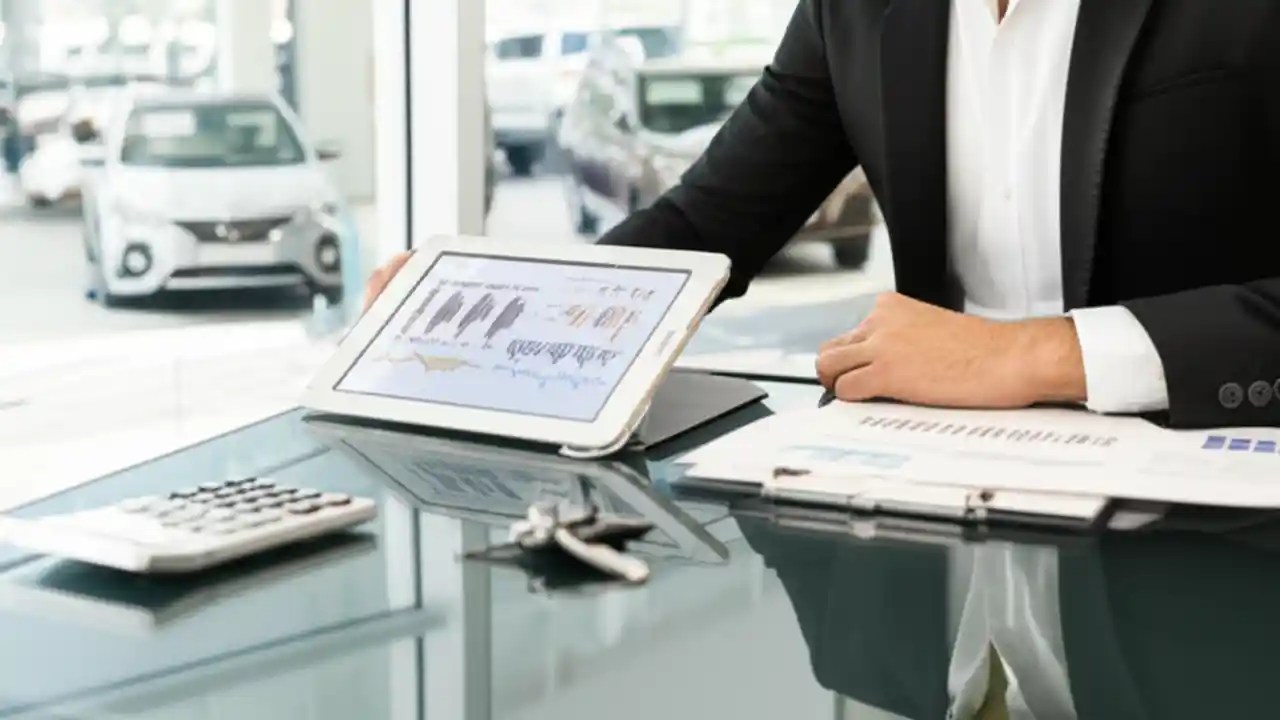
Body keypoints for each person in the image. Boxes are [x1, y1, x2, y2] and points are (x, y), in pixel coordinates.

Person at [367, 0, 1280, 429]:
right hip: (943, 498)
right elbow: (706, 225)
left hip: (1217, 527)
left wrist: (1037, 352)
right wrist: (495, 307)